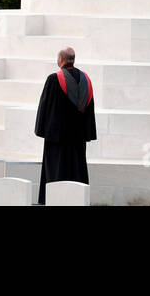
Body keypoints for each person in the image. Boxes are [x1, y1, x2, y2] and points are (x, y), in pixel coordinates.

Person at [34, 47, 97, 204]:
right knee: (77, 170)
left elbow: (45, 107)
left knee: (56, 171)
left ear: (61, 59)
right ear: (73, 60)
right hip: (78, 139)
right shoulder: (86, 80)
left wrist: (41, 130)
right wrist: (87, 133)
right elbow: (90, 110)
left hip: (57, 139)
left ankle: (56, 201)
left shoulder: (54, 79)